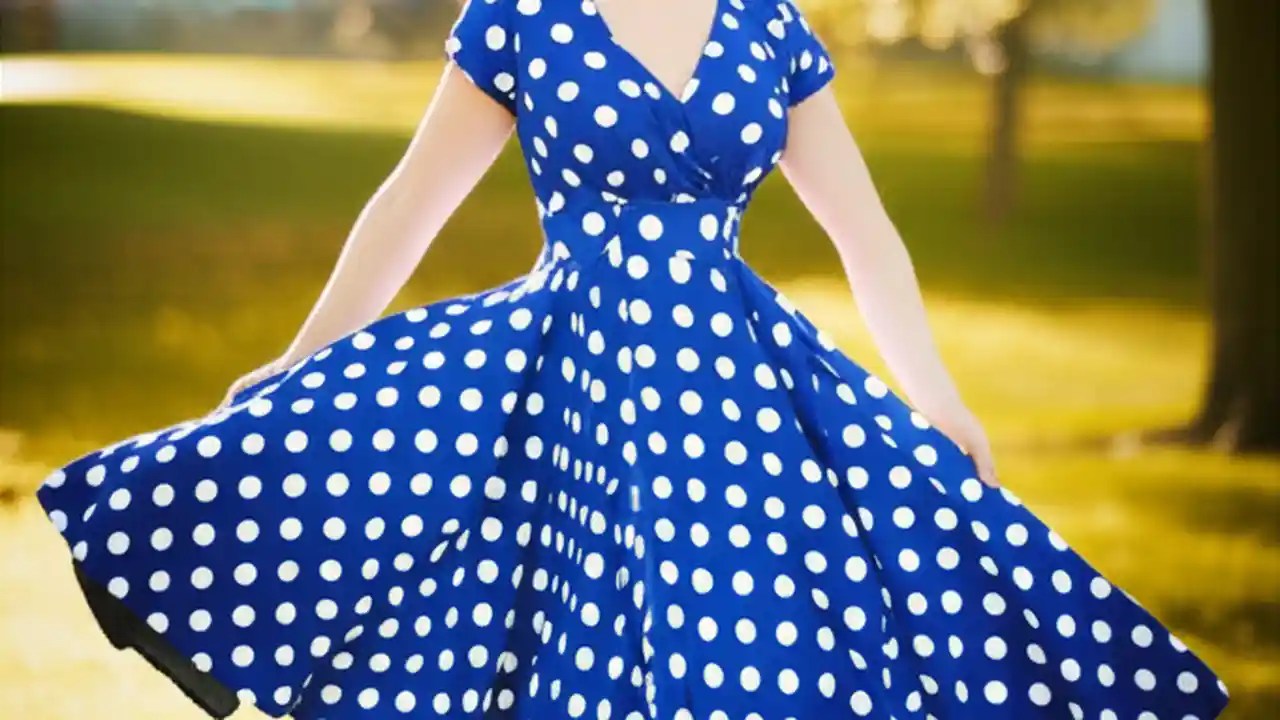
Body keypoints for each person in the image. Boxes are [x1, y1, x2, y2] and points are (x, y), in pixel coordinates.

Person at [35, 0, 1231, 718]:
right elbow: (411, 202)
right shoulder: (527, 12)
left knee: (752, 653)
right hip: (570, 393)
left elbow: (860, 226)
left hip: (734, 395)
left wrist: (937, 396)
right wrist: (304, 358)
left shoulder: (766, 22)